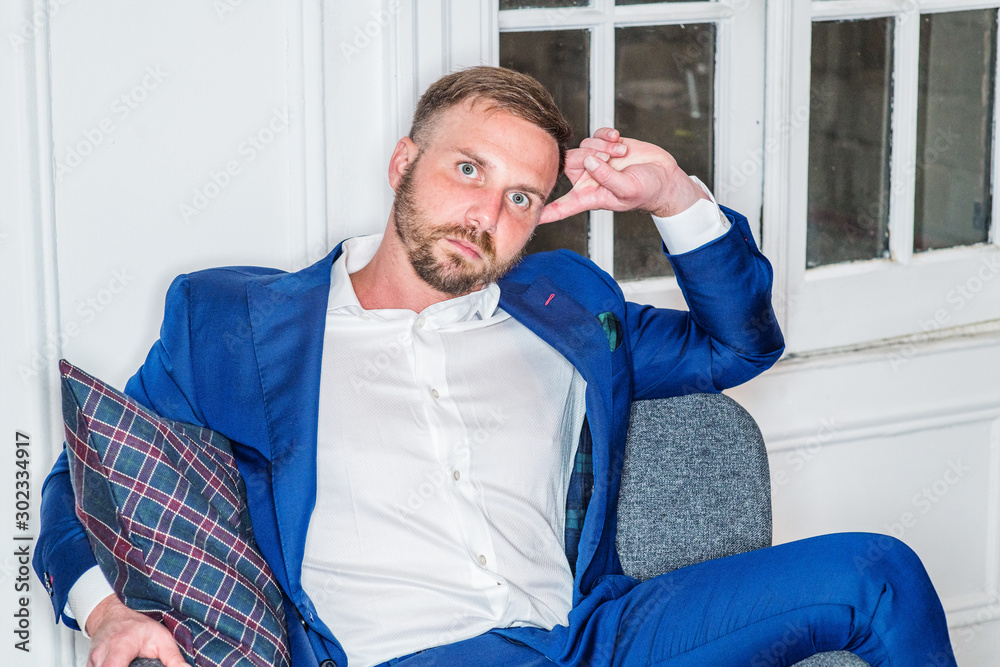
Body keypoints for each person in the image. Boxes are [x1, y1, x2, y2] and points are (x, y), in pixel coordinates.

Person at [36, 66, 955, 667]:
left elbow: (740, 344)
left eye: (521, 195)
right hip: (414, 653)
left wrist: (674, 197)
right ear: (404, 162)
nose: (487, 213)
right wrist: (109, 613)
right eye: (467, 171)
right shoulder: (238, 321)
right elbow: (84, 480)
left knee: (879, 570)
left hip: (594, 636)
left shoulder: (564, 306)